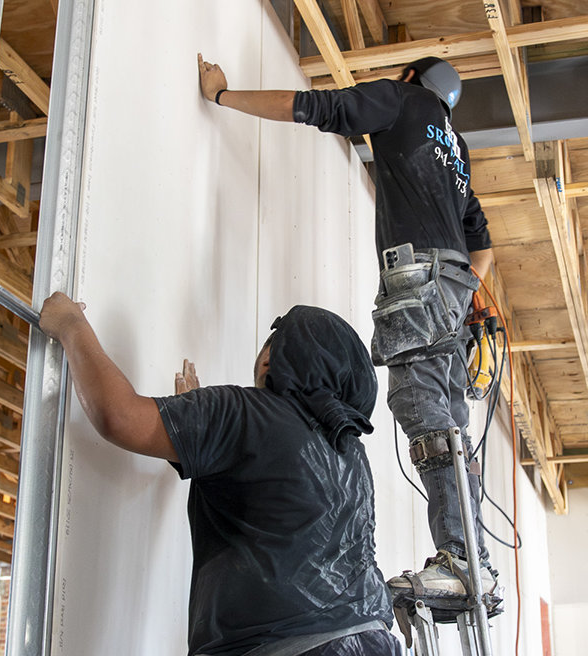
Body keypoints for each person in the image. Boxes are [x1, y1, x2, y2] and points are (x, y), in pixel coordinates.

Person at [197, 54, 499, 612]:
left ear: (414, 78)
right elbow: (483, 246)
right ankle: (473, 555)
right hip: (455, 285)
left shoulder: (403, 99)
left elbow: (317, 107)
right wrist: (456, 292)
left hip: (418, 276)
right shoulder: (456, 148)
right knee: (450, 419)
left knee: (423, 409)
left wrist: (222, 96)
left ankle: (461, 559)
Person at [38, 293, 403, 656]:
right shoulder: (349, 452)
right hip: (377, 649)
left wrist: (69, 324)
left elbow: (118, 415)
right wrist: (195, 431)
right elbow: (266, 496)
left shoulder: (247, 412)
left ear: (269, 358)